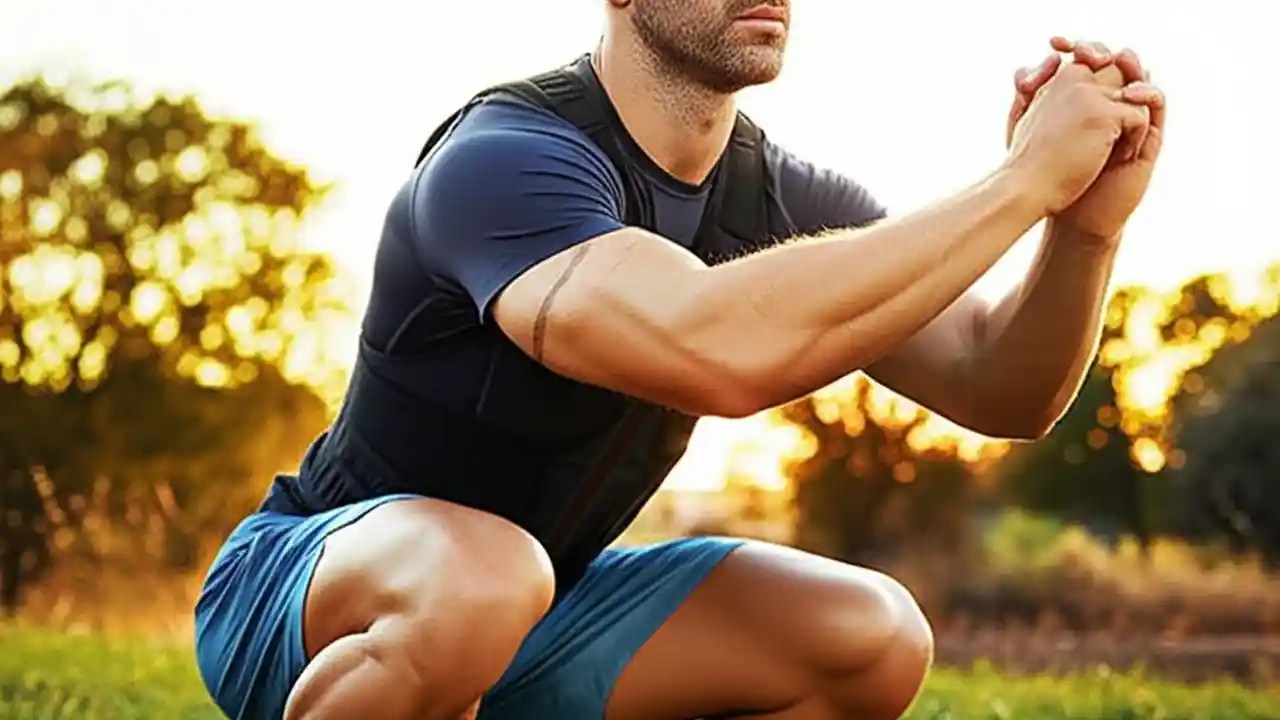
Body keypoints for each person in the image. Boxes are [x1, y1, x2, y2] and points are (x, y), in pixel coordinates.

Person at [193, 1, 1166, 718]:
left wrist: (1077, 231)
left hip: (546, 604)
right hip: (309, 590)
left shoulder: (781, 196)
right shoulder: (506, 157)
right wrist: (1021, 178)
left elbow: (999, 386)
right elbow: (715, 349)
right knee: (487, 580)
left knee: (867, 637)